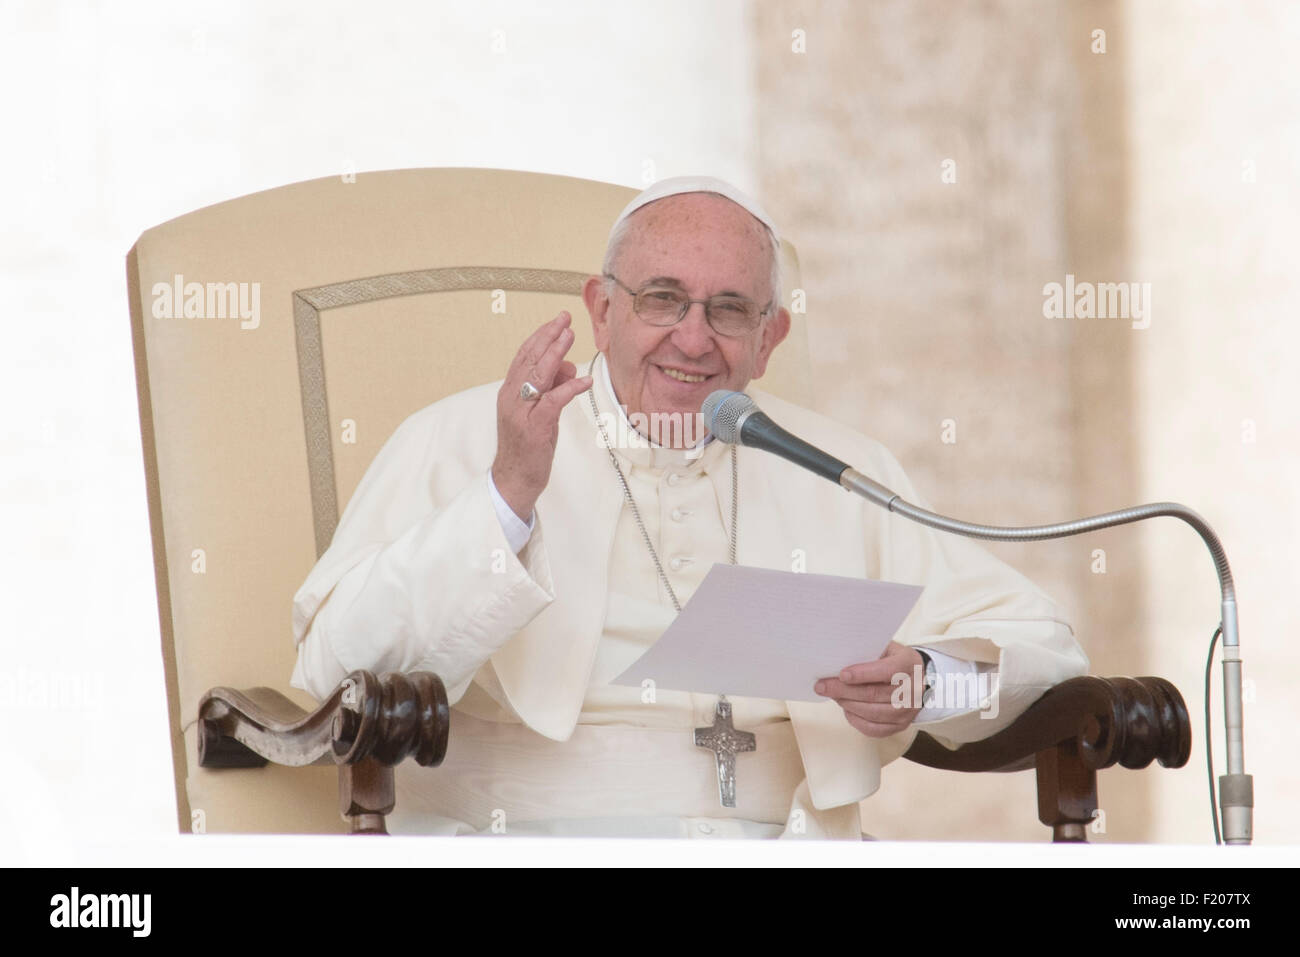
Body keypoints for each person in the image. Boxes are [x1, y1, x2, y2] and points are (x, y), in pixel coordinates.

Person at [289, 175, 1088, 839]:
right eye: (664, 299)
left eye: (731, 309)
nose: (695, 340)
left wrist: (927, 679)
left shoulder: (842, 470)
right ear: (603, 311)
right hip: (530, 844)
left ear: (770, 337)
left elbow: (1043, 642)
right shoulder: (470, 435)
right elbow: (336, 666)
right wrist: (505, 499)